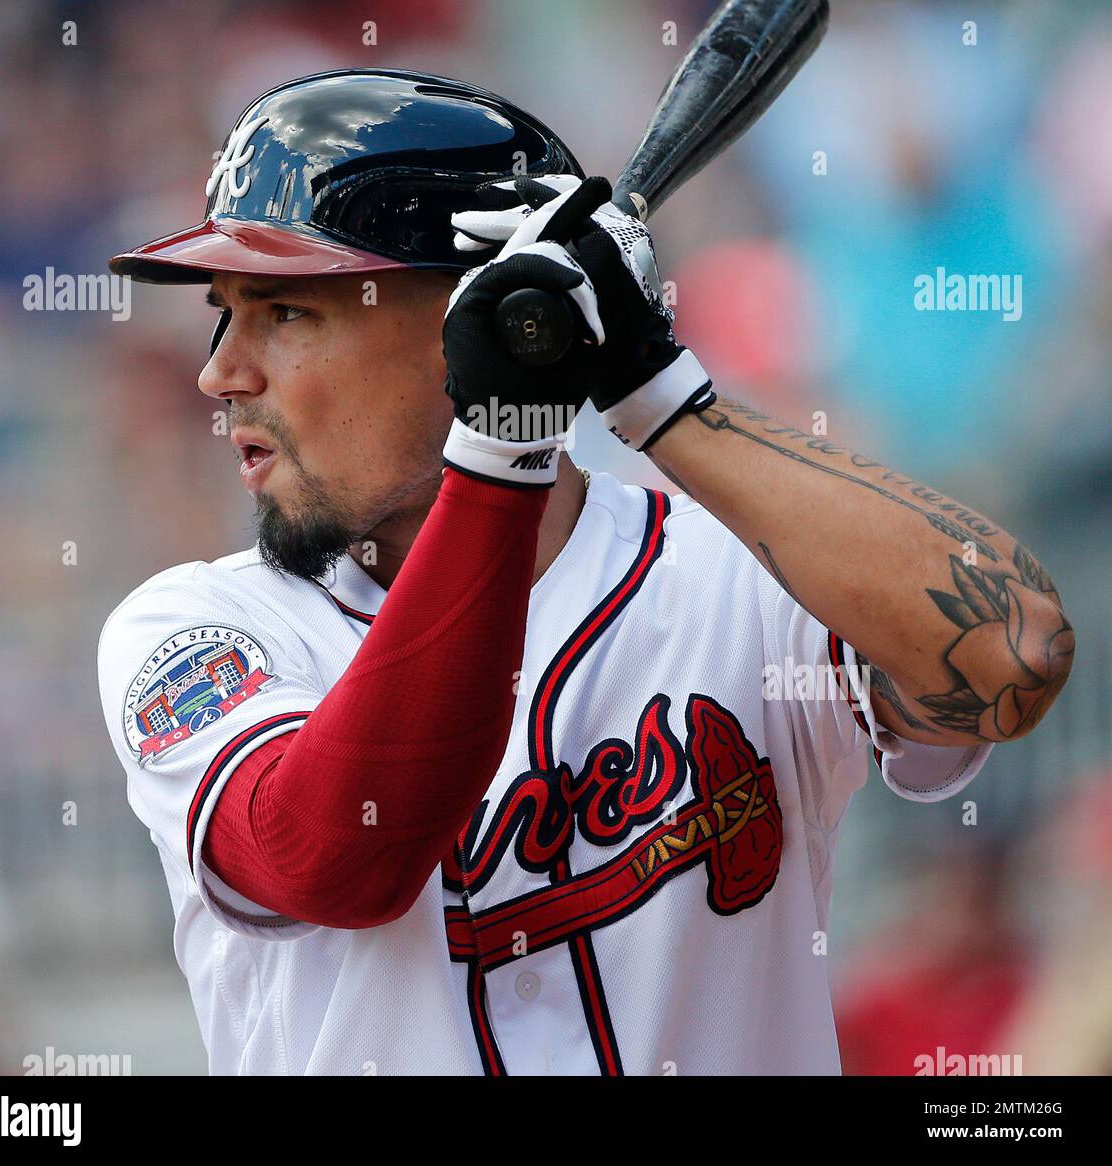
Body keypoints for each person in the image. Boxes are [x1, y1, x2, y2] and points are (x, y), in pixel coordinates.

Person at [98, 69, 1075, 1076]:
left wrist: (656, 391)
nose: (221, 371)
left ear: (461, 321)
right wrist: (501, 443)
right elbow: (334, 859)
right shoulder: (198, 633)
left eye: (285, 312)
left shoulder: (736, 574)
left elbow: (1014, 658)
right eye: (225, 313)